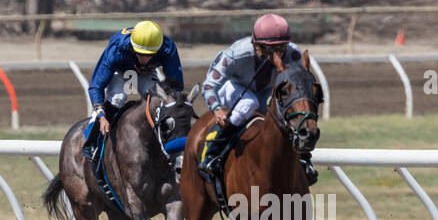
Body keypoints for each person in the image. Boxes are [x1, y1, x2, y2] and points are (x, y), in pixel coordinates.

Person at [199, 13, 317, 185]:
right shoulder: (236, 54)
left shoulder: (293, 54)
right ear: (257, 45)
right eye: (271, 49)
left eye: (281, 48)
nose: (277, 54)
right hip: (234, 87)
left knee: (282, 111)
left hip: (266, 90)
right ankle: (212, 153)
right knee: (249, 103)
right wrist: (216, 108)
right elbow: (209, 84)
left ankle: (304, 159)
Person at [82, 20, 183, 166]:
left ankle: (167, 141)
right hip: (120, 70)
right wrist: (102, 115)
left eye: (149, 55)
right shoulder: (117, 48)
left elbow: (176, 85)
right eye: (140, 53)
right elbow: (96, 86)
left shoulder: (168, 48)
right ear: (132, 46)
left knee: (159, 99)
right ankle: (92, 140)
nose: (144, 59)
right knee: (118, 98)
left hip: (147, 73)